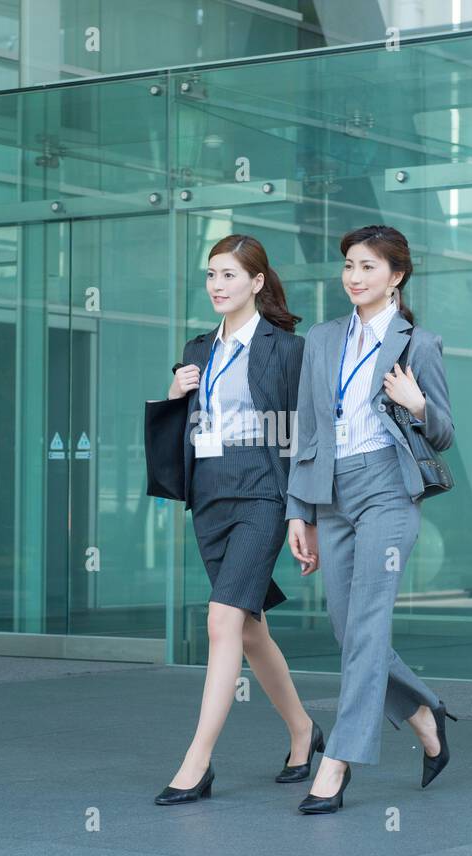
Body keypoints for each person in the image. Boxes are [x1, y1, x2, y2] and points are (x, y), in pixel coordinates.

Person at [284, 224, 459, 814]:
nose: (354, 278)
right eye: (349, 267)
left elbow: (444, 434)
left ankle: (337, 761)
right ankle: (421, 714)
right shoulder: (322, 338)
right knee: (346, 627)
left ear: (397, 275)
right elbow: (307, 430)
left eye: (368, 267)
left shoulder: (420, 343)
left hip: (388, 488)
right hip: (330, 493)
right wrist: (299, 511)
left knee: (366, 627)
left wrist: (419, 405)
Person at [155, 234, 324, 805]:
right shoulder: (197, 348)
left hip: (262, 492)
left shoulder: (287, 349)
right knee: (250, 629)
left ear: (256, 282)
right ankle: (303, 729)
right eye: (211, 276)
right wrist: (175, 392)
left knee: (222, 621)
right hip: (209, 494)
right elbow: (186, 428)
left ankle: (197, 762)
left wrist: (304, 511)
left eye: (229, 275)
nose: (217, 286)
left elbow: (306, 435)